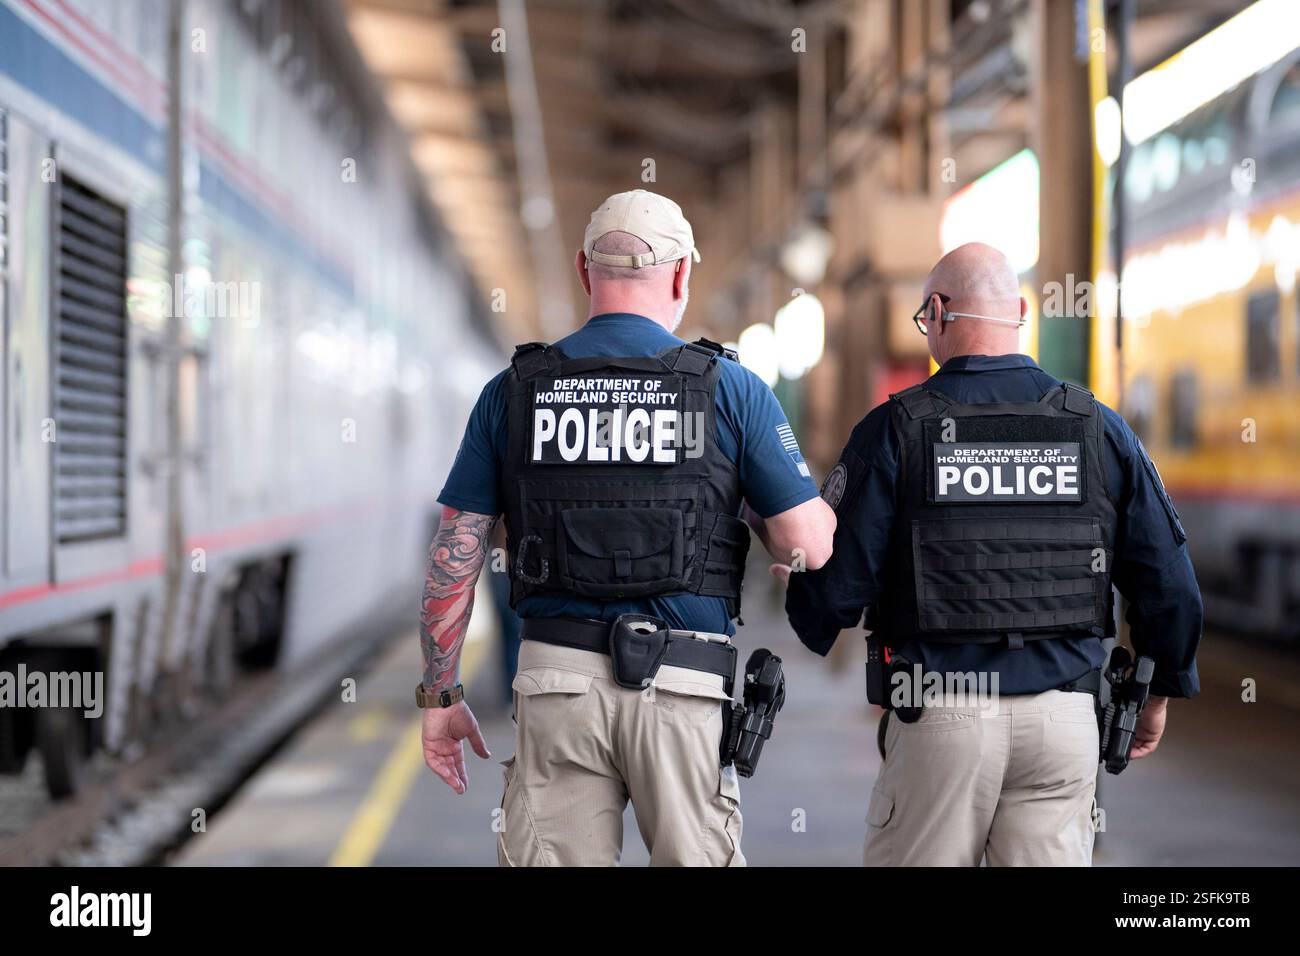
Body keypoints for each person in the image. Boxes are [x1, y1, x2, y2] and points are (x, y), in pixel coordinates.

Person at [417, 189, 836, 866]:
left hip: (556, 685)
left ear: (585, 272)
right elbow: (808, 544)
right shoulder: (731, 388)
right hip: (685, 688)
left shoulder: (513, 390)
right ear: (681, 276)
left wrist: (440, 693)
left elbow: (454, 552)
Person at [783, 242, 1202, 867]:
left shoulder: (897, 427)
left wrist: (803, 592)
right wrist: (1161, 689)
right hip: (1064, 720)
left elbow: (836, 589)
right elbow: (1169, 581)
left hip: (941, 716)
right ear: (1021, 311)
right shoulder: (1099, 429)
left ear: (937, 311)